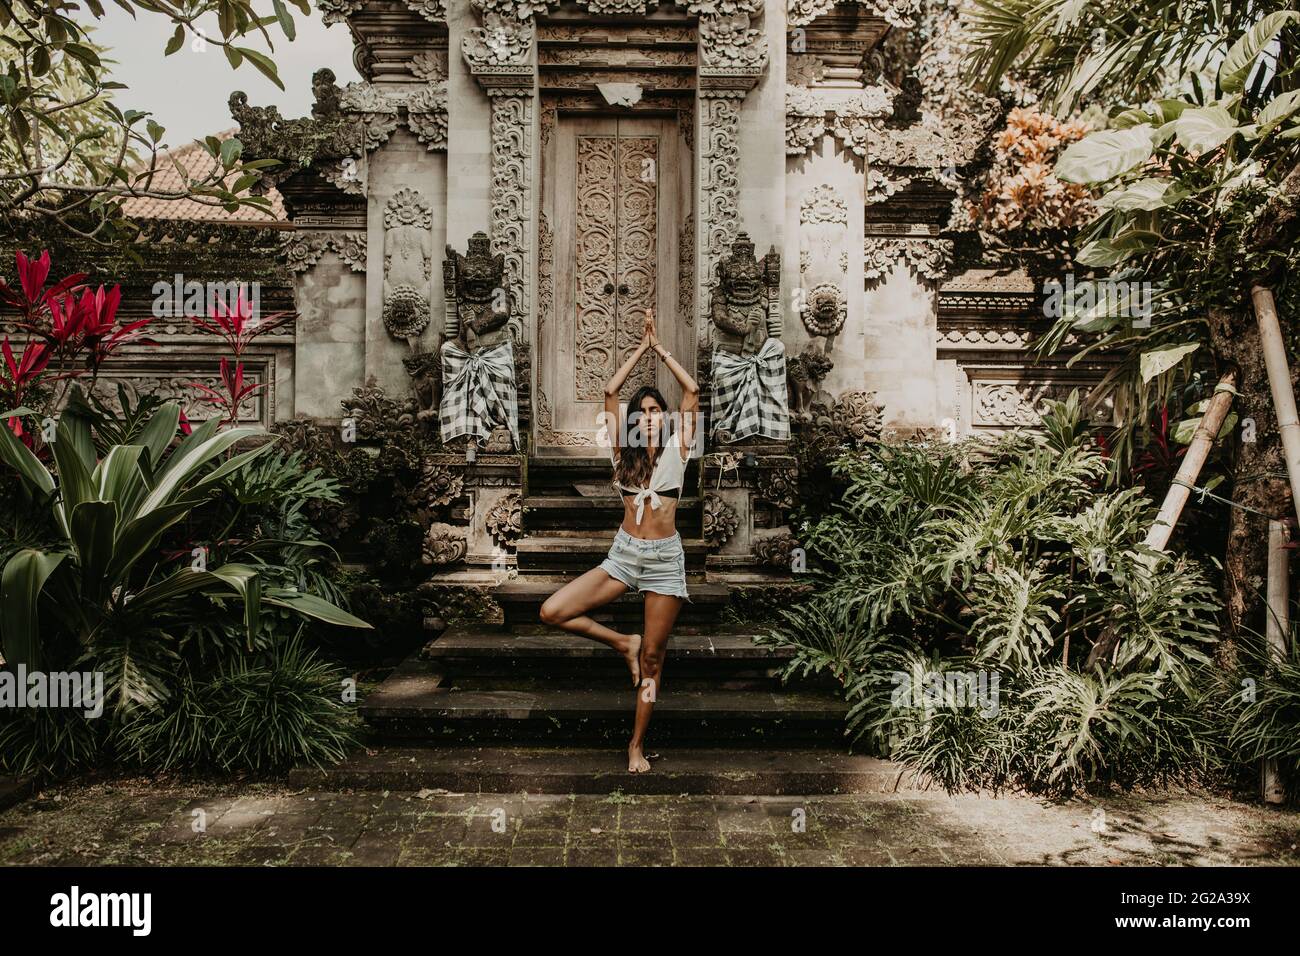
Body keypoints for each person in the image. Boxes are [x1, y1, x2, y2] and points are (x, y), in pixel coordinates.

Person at [538, 308, 700, 773]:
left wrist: (660, 350)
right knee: (552, 611)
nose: (649, 417)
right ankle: (619, 642)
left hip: (665, 560)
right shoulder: (621, 452)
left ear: (665, 418)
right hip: (625, 555)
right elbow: (609, 391)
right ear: (633, 420)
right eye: (643, 412)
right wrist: (639, 349)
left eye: (655, 411)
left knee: (654, 658)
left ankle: (635, 745)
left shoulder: (680, 447)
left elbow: (691, 391)